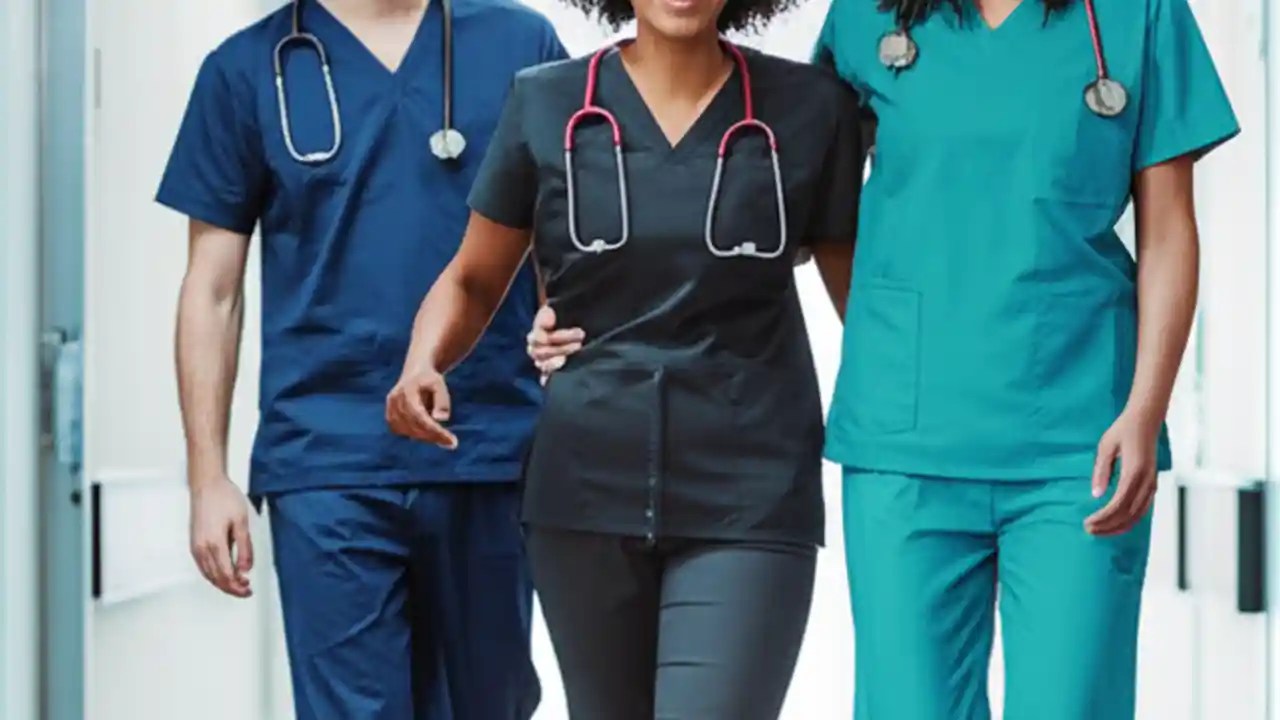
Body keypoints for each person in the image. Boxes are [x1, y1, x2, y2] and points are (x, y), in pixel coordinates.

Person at [534, 0, 1239, 718]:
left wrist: (1146, 409)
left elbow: (1169, 232)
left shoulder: (1135, 15)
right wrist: (591, 303)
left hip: (1078, 439)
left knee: (1072, 705)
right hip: (905, 440)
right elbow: (775, 202)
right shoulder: (870, 18)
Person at [383, 0, 864, 714]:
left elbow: (860, 296)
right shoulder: (544, 103)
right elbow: (473, 277)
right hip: (583, 490)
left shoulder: (807, 109)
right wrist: (423, 361)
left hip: (750, 490)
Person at [155, 0, 566, 717]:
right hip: (326, 462)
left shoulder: (520, 42)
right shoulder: (243, 70)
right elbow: (212, 291)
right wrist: (205, 477)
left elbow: (565, 234)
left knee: (490, 706)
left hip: (492, 450)